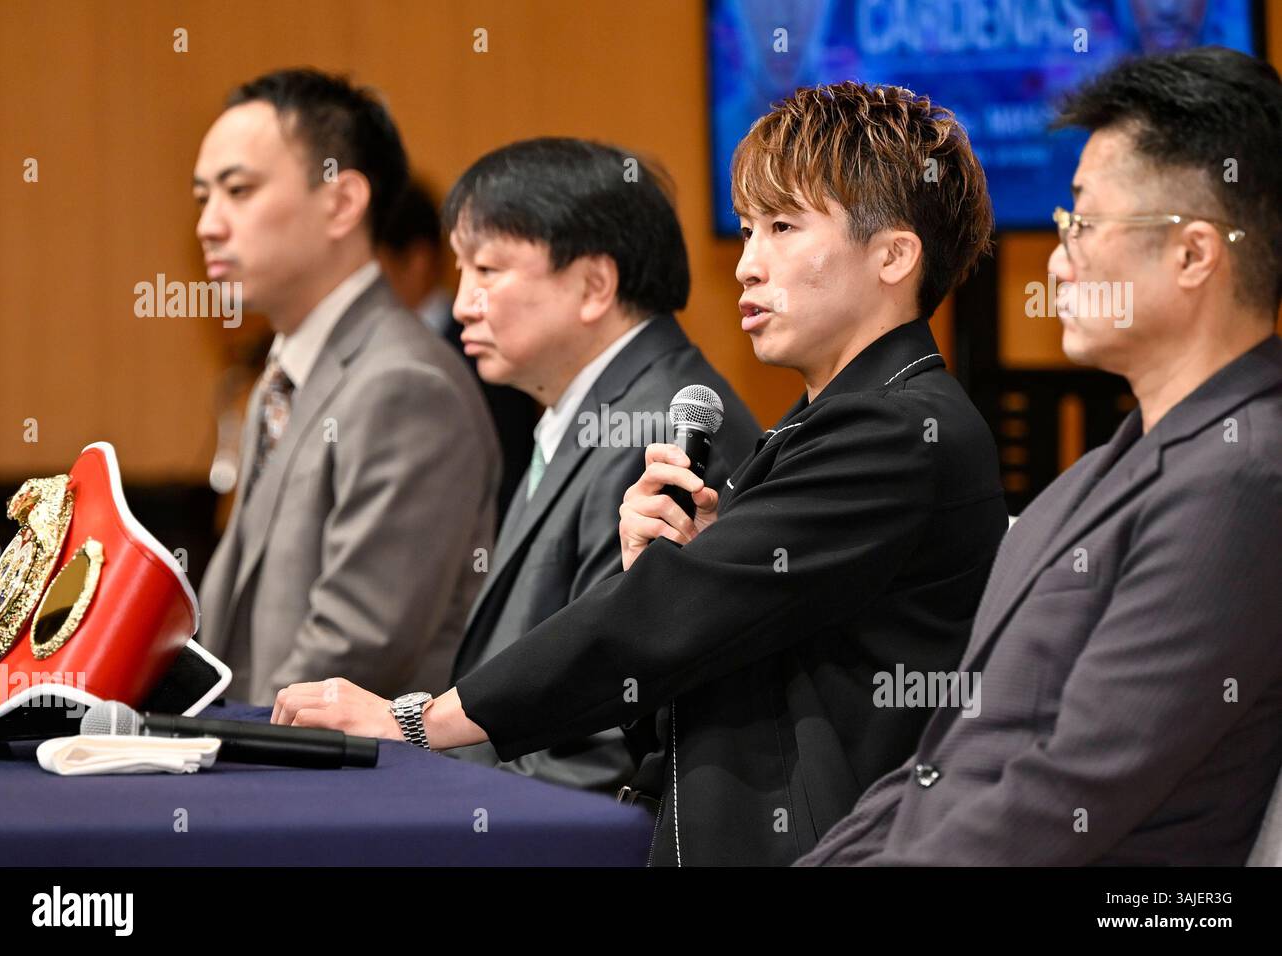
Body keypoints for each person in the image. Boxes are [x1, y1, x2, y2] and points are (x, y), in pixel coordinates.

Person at [275, 82, 1007, 866]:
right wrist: (664, 563)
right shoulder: (827, 421)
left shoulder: (892, 428)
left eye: (784, 227)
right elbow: (693, 661)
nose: (748, 265)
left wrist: (420, 720)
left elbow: (662, 618)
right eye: (749, 229)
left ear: (894, 255)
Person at [798, 47, 1282, 866]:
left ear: (1195, 255)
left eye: (1084, 225)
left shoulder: (1244, 477)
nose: (1057, 261)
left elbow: (1070, 793)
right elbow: (938, 767)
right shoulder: (1102, 471)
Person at [195, 69, 499, 706]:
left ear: (341, 201)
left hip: (351, 792)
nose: (209, 225)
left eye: (238, 190)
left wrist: (213, 751)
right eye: (202, 197)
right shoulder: (283, 375)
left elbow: (359, 647)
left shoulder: (407, 385)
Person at [378, 177, 539, 530]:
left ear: (416, 260)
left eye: (374, 269)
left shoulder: (485, 347)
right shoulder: (372, 352)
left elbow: (506, 478)